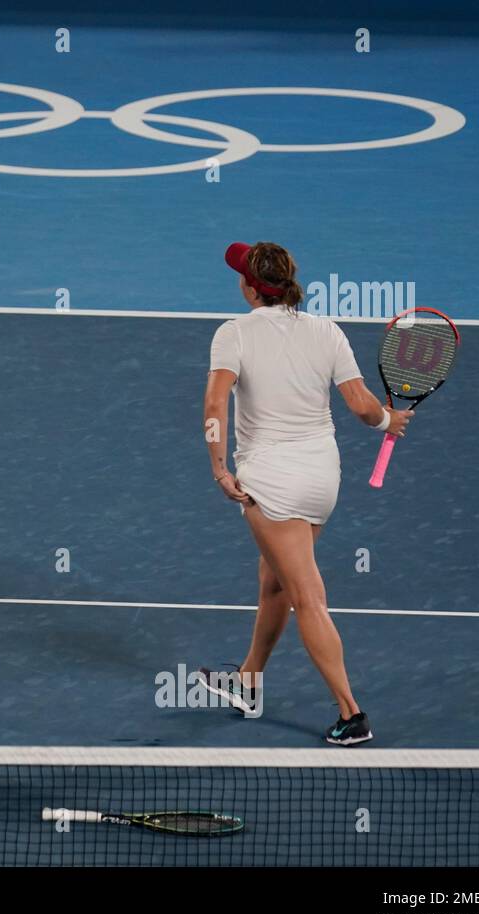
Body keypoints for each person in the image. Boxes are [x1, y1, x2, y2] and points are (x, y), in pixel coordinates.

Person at [201, 241, 411, 745]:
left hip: (272, 484)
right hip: (322, 481)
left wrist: (219, 468)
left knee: (307, 596)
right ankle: (249, 680)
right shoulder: (327, 331)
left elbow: (214, 404)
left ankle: (351, 714)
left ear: (251, 288)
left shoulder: (233, 335)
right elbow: (362, 406)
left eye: (241, 275)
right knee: (273, 577)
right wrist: (390, 419)